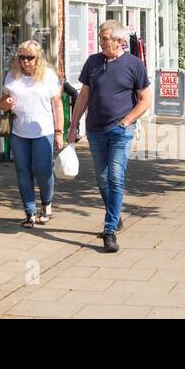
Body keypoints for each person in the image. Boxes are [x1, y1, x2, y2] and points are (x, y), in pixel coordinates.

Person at [67, 20, 151, 253]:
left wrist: (126, 121)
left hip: (120, 131)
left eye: (104, 38)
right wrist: (73, 126)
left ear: (119, 41)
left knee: (115, 176)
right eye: (101, 38)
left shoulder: (134, 65)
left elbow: (145, 101)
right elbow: (83, 96)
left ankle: (109, 229)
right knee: (102, 178)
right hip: (95, 129)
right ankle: (114, 215)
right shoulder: (93, 62)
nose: (101, 42)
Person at [0, 39, 64, 228]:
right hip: (19, 132)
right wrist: (6, 103)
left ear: (38, 58)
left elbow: (57, 105)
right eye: (22, 57)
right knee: (23, 172)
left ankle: (47, 203)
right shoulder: (12, 75)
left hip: (43, 132)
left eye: (30, 57)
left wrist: (59, 132)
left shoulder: (48, 76)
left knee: (43, 170)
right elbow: (0, 103)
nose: (26, 61)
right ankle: (29, 212)